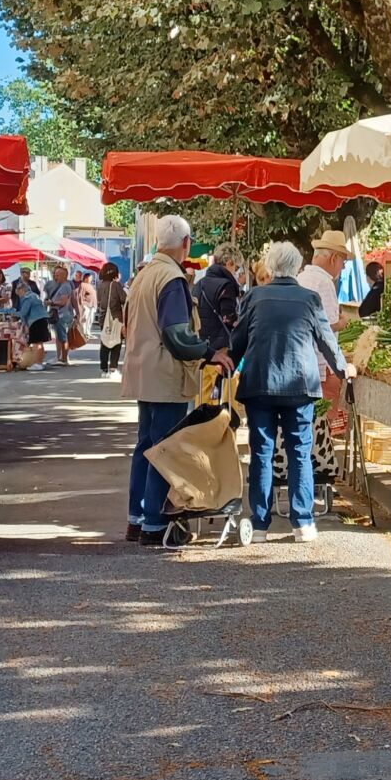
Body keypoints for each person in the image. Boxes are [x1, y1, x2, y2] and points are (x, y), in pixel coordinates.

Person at [230, 240, 348, 542]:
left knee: (261, 452)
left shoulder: (254, 297)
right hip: (299, 385)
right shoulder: (309, 299)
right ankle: (303, 522)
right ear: (296, 267)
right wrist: (344, 370)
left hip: (260, 384)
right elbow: (326, 341)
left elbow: (238, 340)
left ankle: (259, 525)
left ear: (271, 267)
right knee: (299, 452)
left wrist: (226, 364)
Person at [120, 217, 218, 545]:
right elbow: (177, 334)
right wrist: (208, 353)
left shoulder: (145, 273)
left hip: (143, 371)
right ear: (186, 243)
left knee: (146, 445)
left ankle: (137, 519)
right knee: (165, 449)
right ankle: (155, 524)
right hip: (165, 374)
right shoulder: (172, 278)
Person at [195, 244, 244, 356]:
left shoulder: (199, 284)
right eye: (236, 268)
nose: (236, 273)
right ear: (230, 263)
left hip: (200, 348)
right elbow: (229, 318)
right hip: (220, 351)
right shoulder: (226, 286)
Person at [299, 230, 346, 325]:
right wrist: (342, 323)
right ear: (334, 258)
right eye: (343, 262)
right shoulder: (324, 282)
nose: (343, 267)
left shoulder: (301, 277)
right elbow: (327, 327)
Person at [95, 262, 127, 375]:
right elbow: (124, 299)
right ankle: (113, 368)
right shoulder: (116, 285)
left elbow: (99, 300)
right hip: (115, 318)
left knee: (104, 342)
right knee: (116, 343)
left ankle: (103, 368)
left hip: (103, 318)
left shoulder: (100, 285)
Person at [14, 279, 53, 371]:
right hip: (42, 319)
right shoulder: (35, 296)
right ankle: (40, 362)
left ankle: (37, 364)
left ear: (22, 290)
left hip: (36, 321)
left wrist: (13, 313)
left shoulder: (28, 298)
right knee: (40, 343)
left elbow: (24, 312)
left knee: (36, 343)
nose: (19, 296)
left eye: (19, 293)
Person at [46, 261, 78, 368]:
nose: (55, 277)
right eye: (55, 275)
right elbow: (73, 300)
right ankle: (62, 358)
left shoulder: (65, 286)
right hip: (64, 314)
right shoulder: (66, 285)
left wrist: (51, 303)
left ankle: (64, 358)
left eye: (57, 275)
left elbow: (63, 302)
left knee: (63, 337)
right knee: (61, 337)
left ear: (63, 275)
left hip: (61, 314)